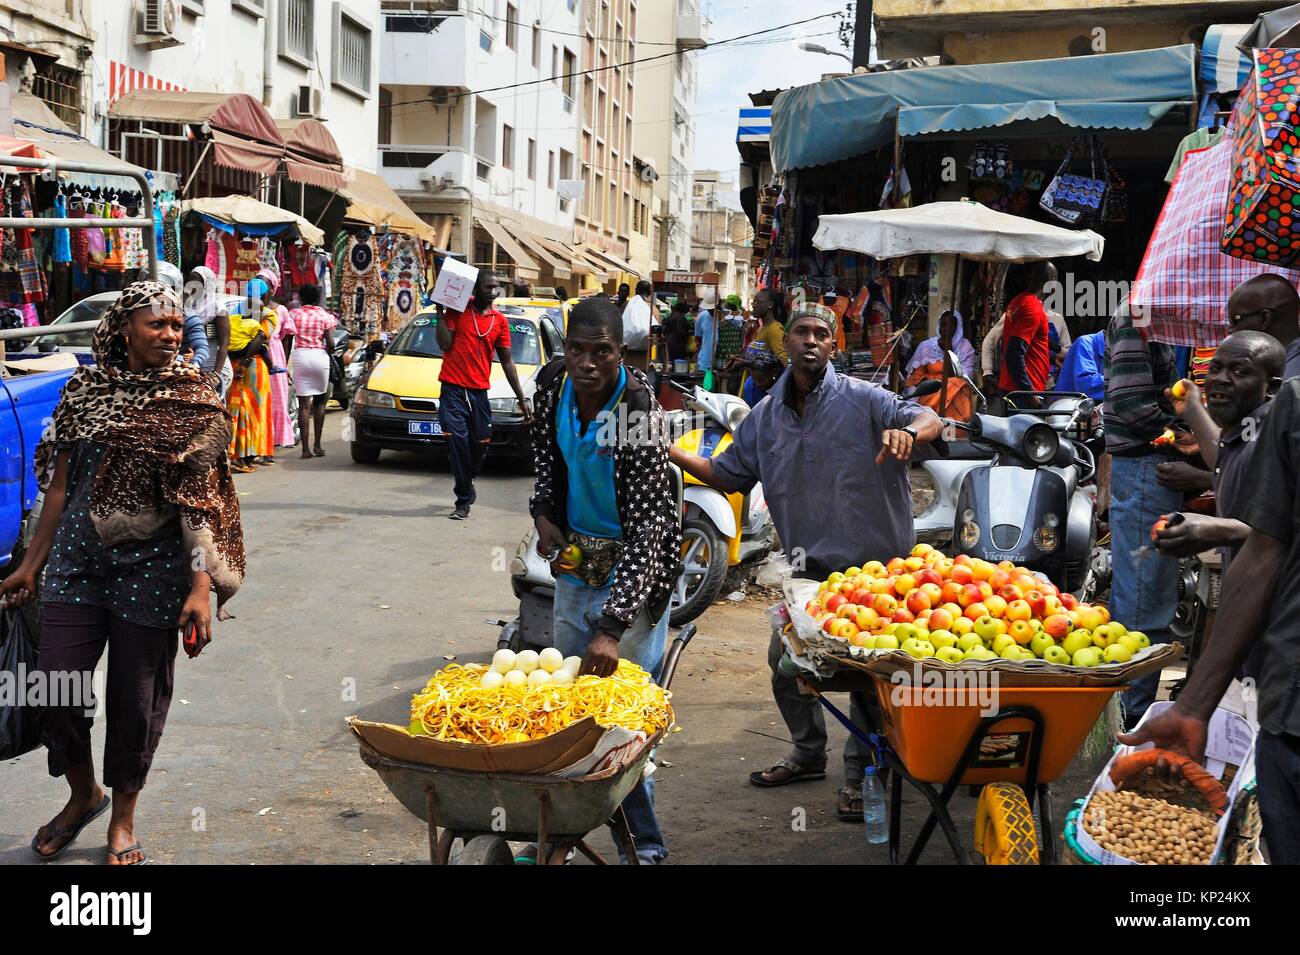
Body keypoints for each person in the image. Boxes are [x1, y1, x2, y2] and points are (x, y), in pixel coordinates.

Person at [0, 281, 244, 865]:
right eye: (156, 324)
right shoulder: (84, 390)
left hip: (154, 569)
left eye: (175, 325)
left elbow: (199, 502)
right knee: (53, 686)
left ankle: (124, 823)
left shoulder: (192, 398)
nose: (169, 334)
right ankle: (84, 795)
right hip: (76, 564)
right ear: (124, 328)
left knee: (136, 700)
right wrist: (28, 567)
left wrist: (200, 587)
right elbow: (59, 489)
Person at [669, 302, 943, 819]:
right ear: (786, 342)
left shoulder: (864, 399)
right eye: (802, 331)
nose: (811, 340)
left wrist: (912, 432)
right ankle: (807, 752)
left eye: (822, 333)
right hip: (811, 574)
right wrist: (672, 453)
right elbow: (728, 474)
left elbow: (925, 416)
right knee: (784, 665)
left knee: (866, 681)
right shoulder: (766, 416)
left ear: (834, 345)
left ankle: (864, 774)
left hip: (878, 575)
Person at [1121, 370, 1300, 864]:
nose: (1219, 376)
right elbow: (1262, 539)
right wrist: (1194, 706)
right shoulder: (1278, 414)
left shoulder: (1280, 413)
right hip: (1286, 695)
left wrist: (1218, 525)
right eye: (1214, 366)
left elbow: (1265, 541)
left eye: (1238, 368)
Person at [529, 297, 681, 864]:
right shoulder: (552, 386)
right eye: (577, 349)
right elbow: (546, 458)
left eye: (603, 352)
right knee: (572, 708)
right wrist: (544, 513)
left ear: (621, 354)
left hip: (635, 575)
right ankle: (563, 834)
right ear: (563, 348)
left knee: (622, 721)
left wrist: (613, 627)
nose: (587, 363)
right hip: (576, 562)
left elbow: (649, 529)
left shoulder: (637, 410)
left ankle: (645, 848)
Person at [1103, 304, 1180, 727]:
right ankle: (1131, 718)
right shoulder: (1138, 314)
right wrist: (1179, 433)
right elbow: (1131, 401)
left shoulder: (1153, 317)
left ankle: (1127, 711)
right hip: (1147, 465)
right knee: (1143, 599)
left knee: (1140, 591)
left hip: (1146, 465)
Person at [435, 269, 532, 520]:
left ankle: (469, 480)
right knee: (456, 439)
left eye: (495, 287)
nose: (493, 292)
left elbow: (508, 361)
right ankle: (463, 500)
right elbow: (444, 344)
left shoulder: (500, 321)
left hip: (479, 392)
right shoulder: (456, 310)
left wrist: (522, 399)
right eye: (488, 287)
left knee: (479, 444)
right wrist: (439, 312)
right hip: (452, 388)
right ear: (475, 289)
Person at [226, 278, 276, 472]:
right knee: (256, 410)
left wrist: (238, 363)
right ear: (265, 295)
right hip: (254, 366)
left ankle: (236, 454)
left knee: (236, 408)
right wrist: (246, 362)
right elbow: (261, 339)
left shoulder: (234, 310)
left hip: (234, 363)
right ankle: (246, 457)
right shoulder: (268, 314)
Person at [285, 284, 338, 459]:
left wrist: (285, 363)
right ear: (317, 299)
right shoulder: (325, 316)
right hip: (319, 357)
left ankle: (305, 449)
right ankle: (318, 445)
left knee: (303, 405)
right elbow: (331, 343)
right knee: (319, 403)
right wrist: (326, 350)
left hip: (300, 357)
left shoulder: (294, 314)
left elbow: (288, 340)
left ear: (300, 298)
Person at [1222, 273, 1300, 379]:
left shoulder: (1287, 382)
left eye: (1234, 320)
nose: (1230, 330)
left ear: (1264, 319)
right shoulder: (1277, 368)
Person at [999, 262, 1056, 399]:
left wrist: (1058, 351)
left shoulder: (1019, 301)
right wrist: (1028, 392)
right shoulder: (1032, 307)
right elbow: (1015, 352)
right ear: (1052, 281)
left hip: (1016, 388)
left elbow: (1033, 343)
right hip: (1022, 393)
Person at [258, 270, 295, 451]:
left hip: (276, 354)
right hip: (256, 355)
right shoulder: (248, 308)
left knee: (279, 400)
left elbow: (286, 338)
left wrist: (285, 364)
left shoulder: (281, 310)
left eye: (263, 284)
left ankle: (279, 437)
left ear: (272, 289)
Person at [188, 265, 232, 398]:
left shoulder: (217, 308)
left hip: (216, 367)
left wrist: (216, 375)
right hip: (195, 368)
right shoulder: (188, 306)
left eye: (197, 282)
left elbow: (224, 344)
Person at [904, 309, 976, 379]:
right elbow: (914, 376)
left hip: (956, 388)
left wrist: (948, 350)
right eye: (943, 325)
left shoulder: (965, 347)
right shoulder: (926, 346)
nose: (946, 329)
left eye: (951, 326)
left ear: (957, 328)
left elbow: (964, 377)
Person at [1056, 330, 1107, 401]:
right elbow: (1086, 384)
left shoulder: (1115, 352)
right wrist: (1122, 381)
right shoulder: (1085, 343)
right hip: (1067, 407)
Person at [620, 280, 653, 371]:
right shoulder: (653, 309)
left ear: (635, 290)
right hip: (645, 361)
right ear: (650, 292)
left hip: (628, 360)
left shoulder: (626, 305)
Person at [694, 290, 717, 379]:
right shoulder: (702, 316)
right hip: (705, 361)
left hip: (721, 362)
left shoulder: (724, 316)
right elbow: (698, 337)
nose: (710, 310)